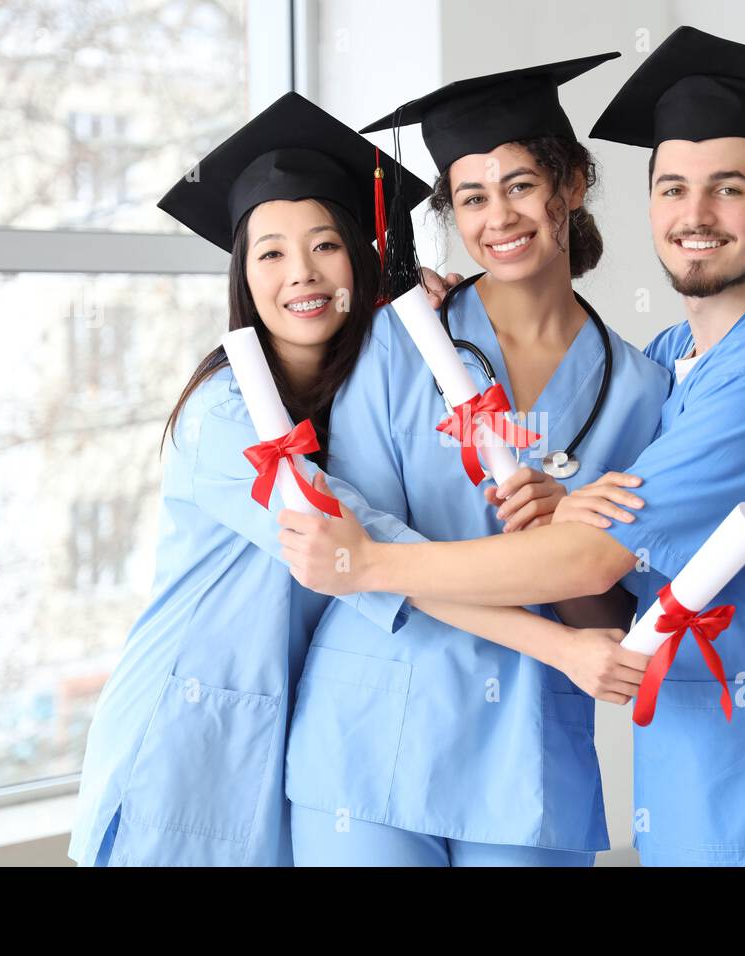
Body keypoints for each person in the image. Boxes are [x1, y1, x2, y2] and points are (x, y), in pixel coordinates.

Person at [280, 28, 745, 867]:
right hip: (384, 727)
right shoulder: (673, 359)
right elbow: (355, 524)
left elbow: (597, 573)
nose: (696, 214)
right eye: (674, 187)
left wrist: (376, 562)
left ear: (570, 186)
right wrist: (562, 519)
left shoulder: (668, 383)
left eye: (729, 189)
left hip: (720, 733)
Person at [66, 92, 627, 866]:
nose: (302, 274)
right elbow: (365, 557)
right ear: (242, 273)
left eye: (327, 246)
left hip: (282, 714)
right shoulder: (229, 416)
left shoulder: (359, 376)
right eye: (270, 253)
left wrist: (417, 310)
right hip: (190, 719)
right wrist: (555, 645)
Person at [281, 53, 672, 866]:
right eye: (471, 196)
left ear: (570, 184)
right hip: (373, 728)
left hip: (525, 751)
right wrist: (531, 564)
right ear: (451, 214)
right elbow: (359, 553)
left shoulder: (640, 389)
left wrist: (568, 546)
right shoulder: (398, 344)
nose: (499, 216)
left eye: (522, 184)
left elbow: (612, 617)